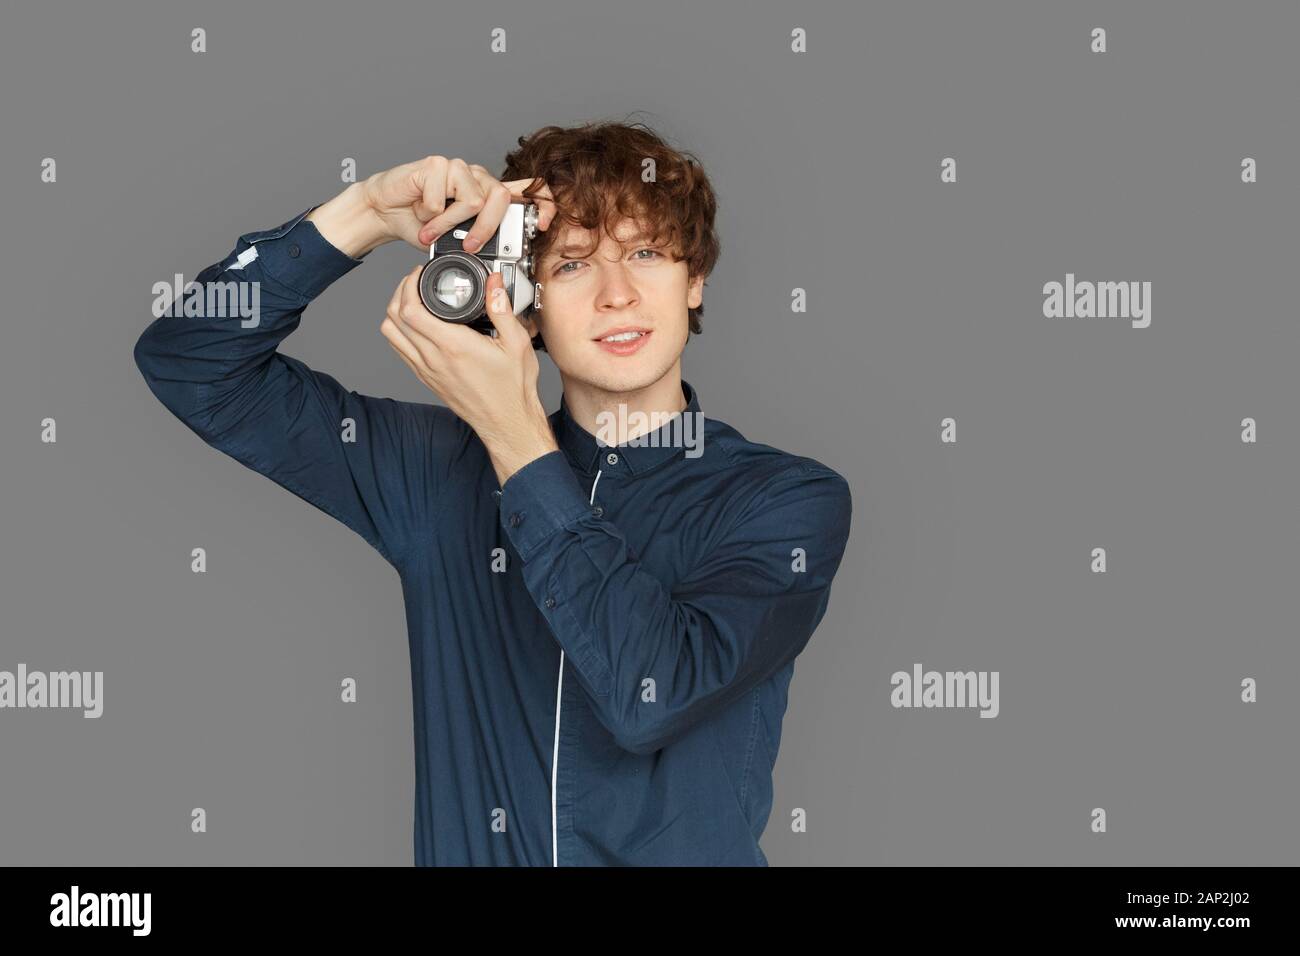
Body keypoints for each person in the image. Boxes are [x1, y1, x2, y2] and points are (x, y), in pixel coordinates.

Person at [134, 119, 853, 866]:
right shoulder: (440, 476)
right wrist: (367, 216)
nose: (617, 294)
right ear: (524, 299)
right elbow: (189, 361)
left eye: (645, 253)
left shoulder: (785, 500)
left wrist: (516, 438)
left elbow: (653, 695)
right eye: (572, 264)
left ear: (695, 277)